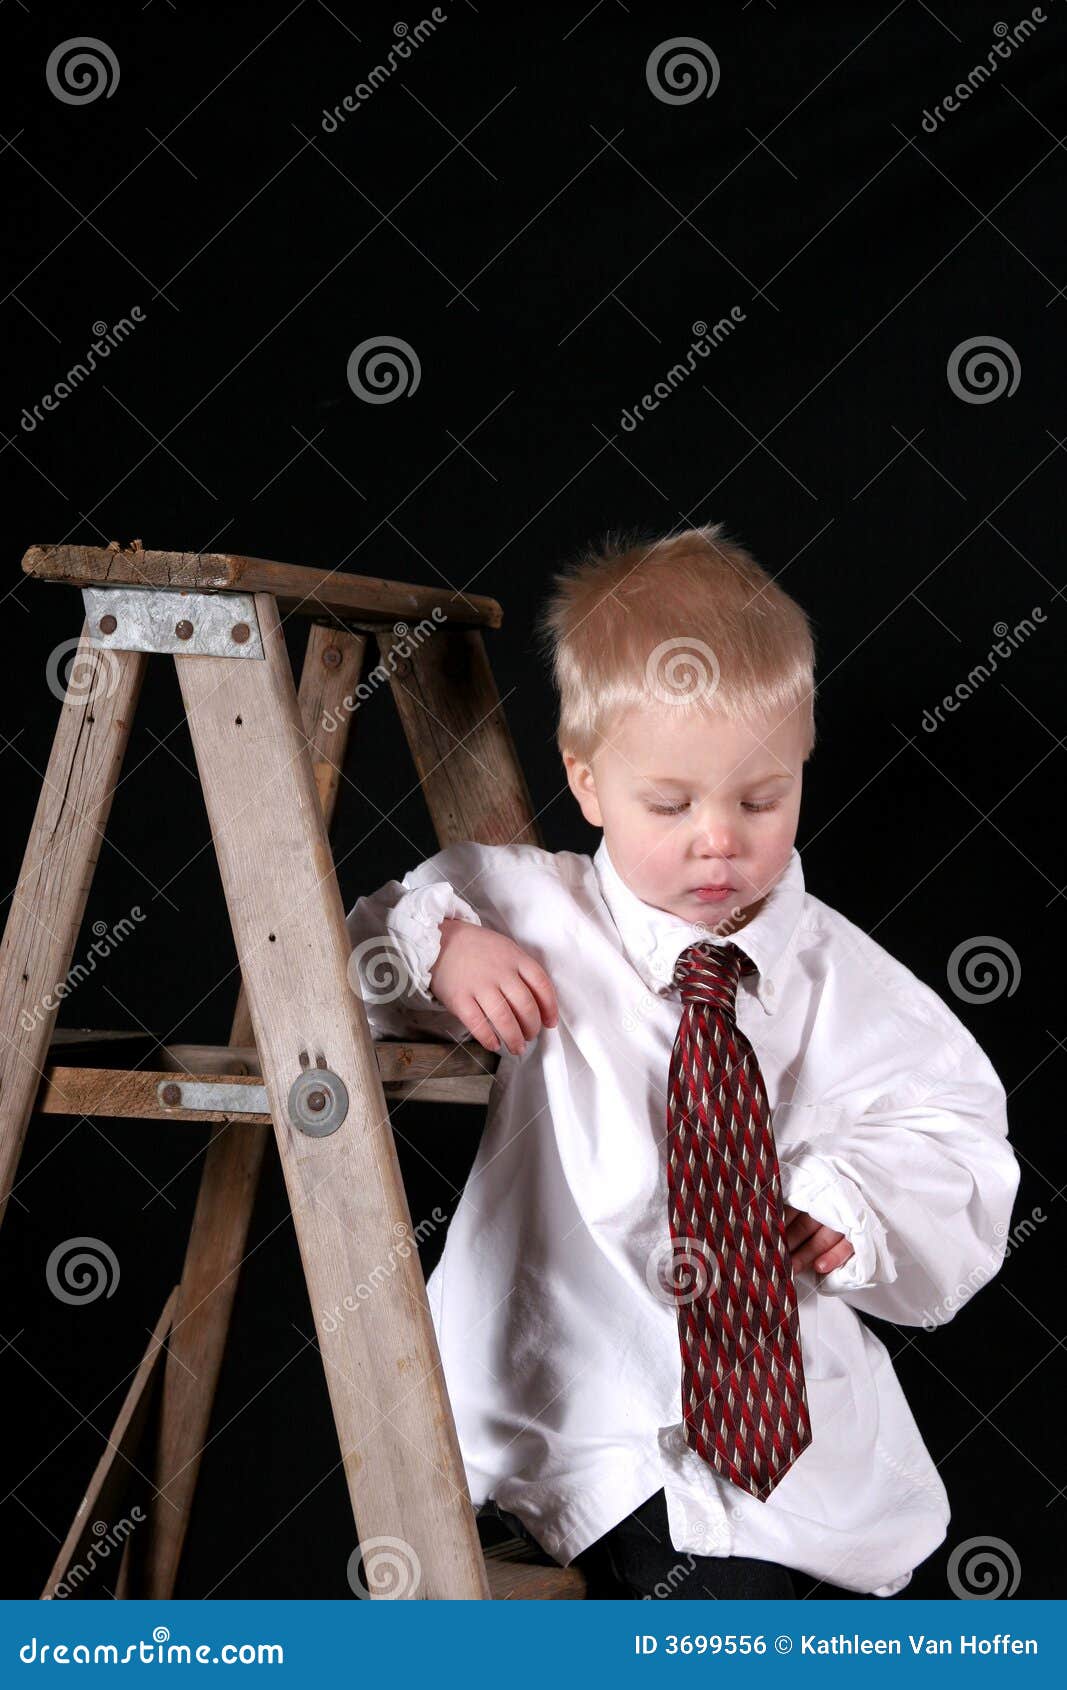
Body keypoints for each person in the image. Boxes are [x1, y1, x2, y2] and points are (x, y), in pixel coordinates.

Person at [344, 523, 1020, 1599]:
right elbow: (358, 944)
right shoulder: (531, 905)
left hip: (786, 1452)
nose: (719, 839)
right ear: (590, 781)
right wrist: (447, 951)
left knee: (787, 1604)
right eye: (671, 804)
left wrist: (859, 1207)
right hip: (579, 1411)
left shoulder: (840, 978)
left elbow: (954, 1133)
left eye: (759, 799)